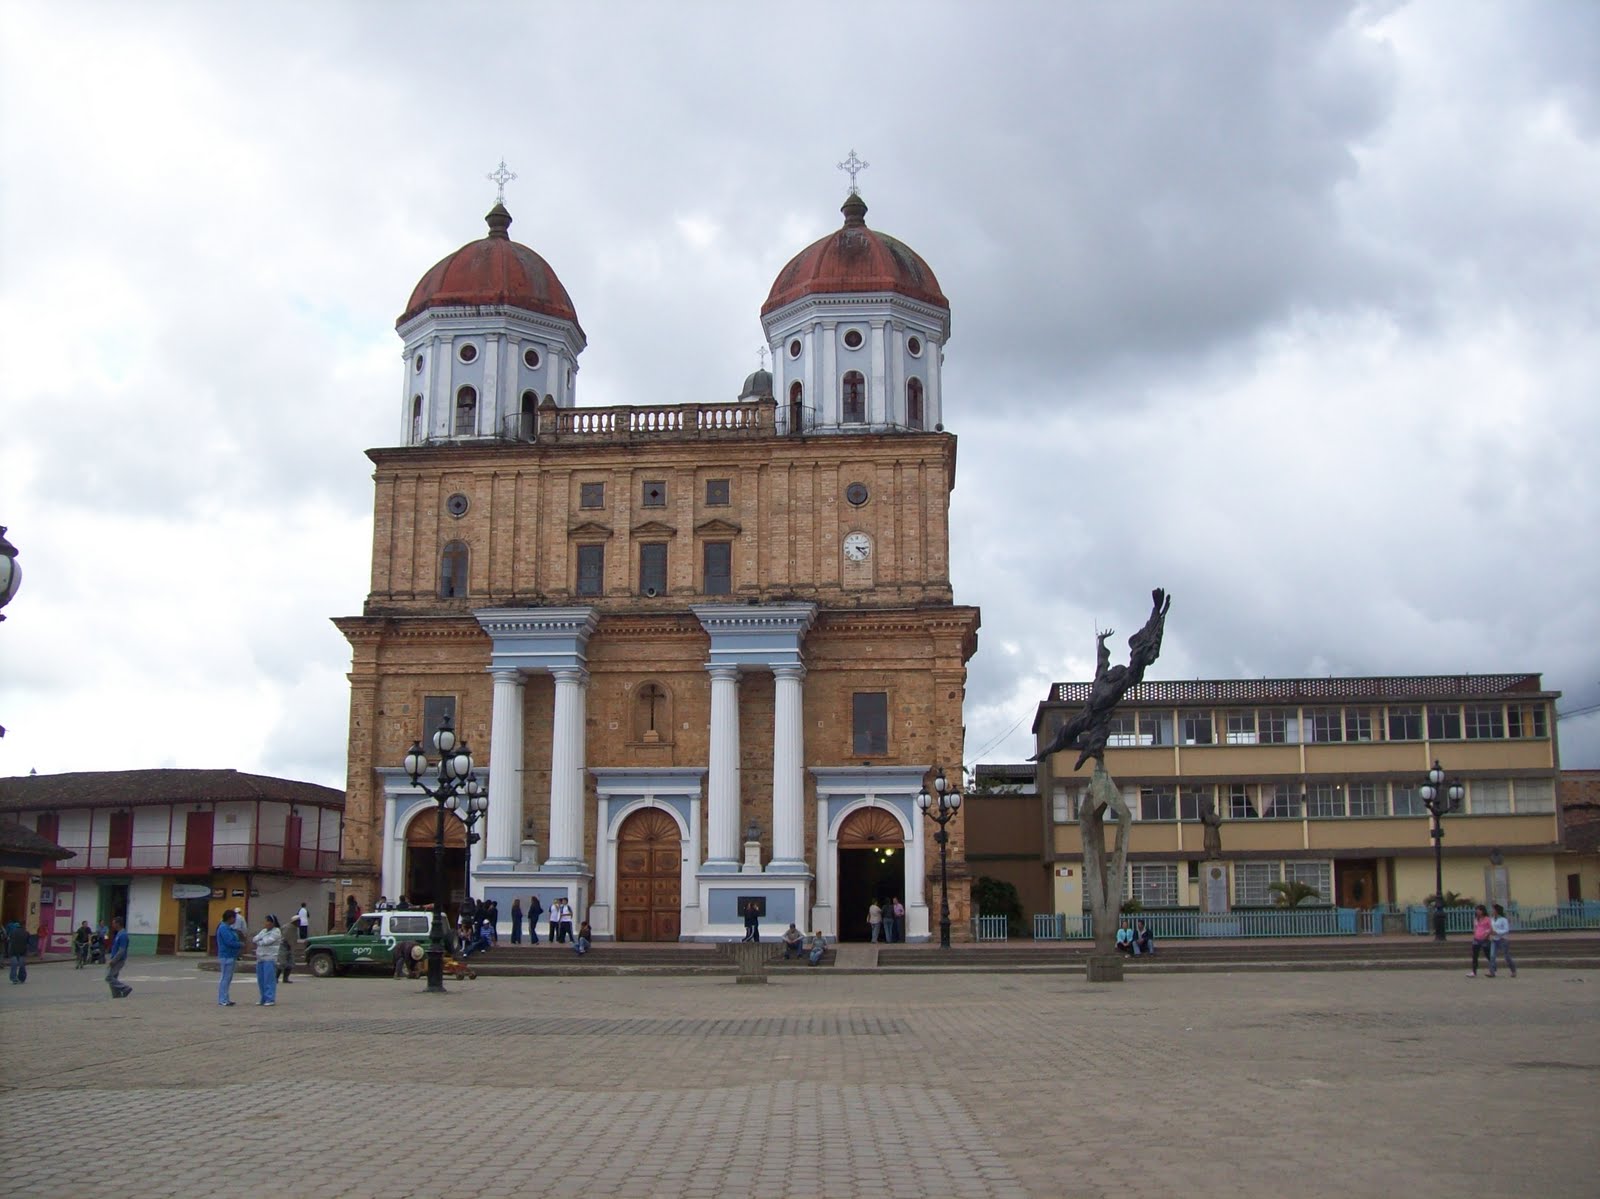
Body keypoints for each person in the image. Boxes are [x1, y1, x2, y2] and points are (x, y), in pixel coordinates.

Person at [252, 915, 282, 1006]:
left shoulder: (276, 931)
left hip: (270, 957)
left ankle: (270, 998)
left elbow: (267, 942)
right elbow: (254, 939)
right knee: (261, 979)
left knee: (269, 979)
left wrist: (260, 941)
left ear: (272, 922)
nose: (265, 923)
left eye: (267, 921)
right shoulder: (263, 931)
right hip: (260, 957)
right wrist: (260, 941)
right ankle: (263, 998)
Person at [216, 909, 243, 1006]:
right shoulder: (224, 928)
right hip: (227, 955)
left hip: (230, 955)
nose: (235, 920)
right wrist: (240, 944)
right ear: (230, 918)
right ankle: (223, 999)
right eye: (234, 918)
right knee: (225, 978)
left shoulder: (228, 928)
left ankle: (225, 998)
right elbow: (229, 942)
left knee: (227, 978)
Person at [105, 916, 132, 999]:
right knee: (114, 977)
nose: (112, 925)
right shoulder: (119, 933)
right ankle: (116, 995)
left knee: (109, 977)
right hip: (115, 958)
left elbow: (121, 950)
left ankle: (125, 988)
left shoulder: (123, 935)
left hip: (119, 959)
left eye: (114, 923)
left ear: (118, 924)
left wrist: (114, 960)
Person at [1489, 903, 1518, 978]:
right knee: (1492, 956)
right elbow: (1490, 928)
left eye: (1493, 909)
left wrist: (1497, 932)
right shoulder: (1491, 919)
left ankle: (1513, 970)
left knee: (1506, 956)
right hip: (1494, 939)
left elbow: (1506, 929)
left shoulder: (1503, 919)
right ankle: (1492, 972)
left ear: (1497, 910)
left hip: (1502, 939)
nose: (1492, 911)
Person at [1468, 904, 1493, 978]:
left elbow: (1490, 928)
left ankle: (1492, 970)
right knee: (1474, 956)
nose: (1477, 912)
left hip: (1485, 939)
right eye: (1477, 910)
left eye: (1479, 910)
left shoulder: (1487, 919)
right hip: (1477, 939)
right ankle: (1474, 971)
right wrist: (1475, 933)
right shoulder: (1476, 919)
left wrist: (1487, 934)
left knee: (1488, 955)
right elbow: (1475, 928)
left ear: (1482, 911)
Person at [7, 919, 29, 984]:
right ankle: (22, 978)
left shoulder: (13, 932)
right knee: (22, 965)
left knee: (14, 965)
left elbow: (9, 940)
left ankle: (14, 979)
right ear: (24, 925)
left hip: (13, 950)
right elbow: (27, 943)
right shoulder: (26, 933)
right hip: (22, 951)